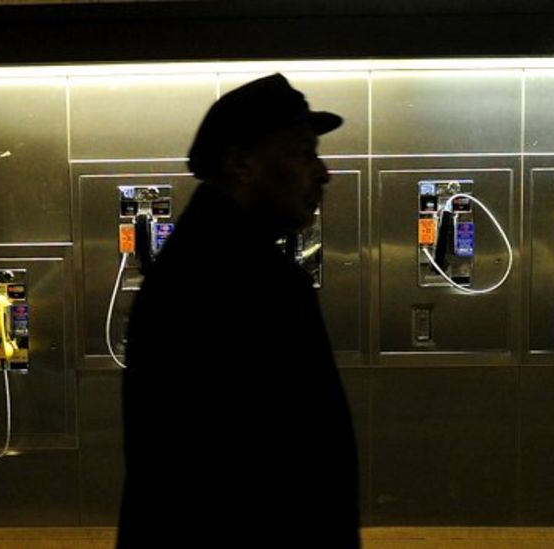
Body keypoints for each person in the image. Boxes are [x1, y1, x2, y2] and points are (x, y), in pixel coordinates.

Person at [117, 74, 360, 548]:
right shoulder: (251, 279)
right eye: (304, 152)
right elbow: (290, 462)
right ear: (241, 164)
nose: (323, 171)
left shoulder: (192, 263)